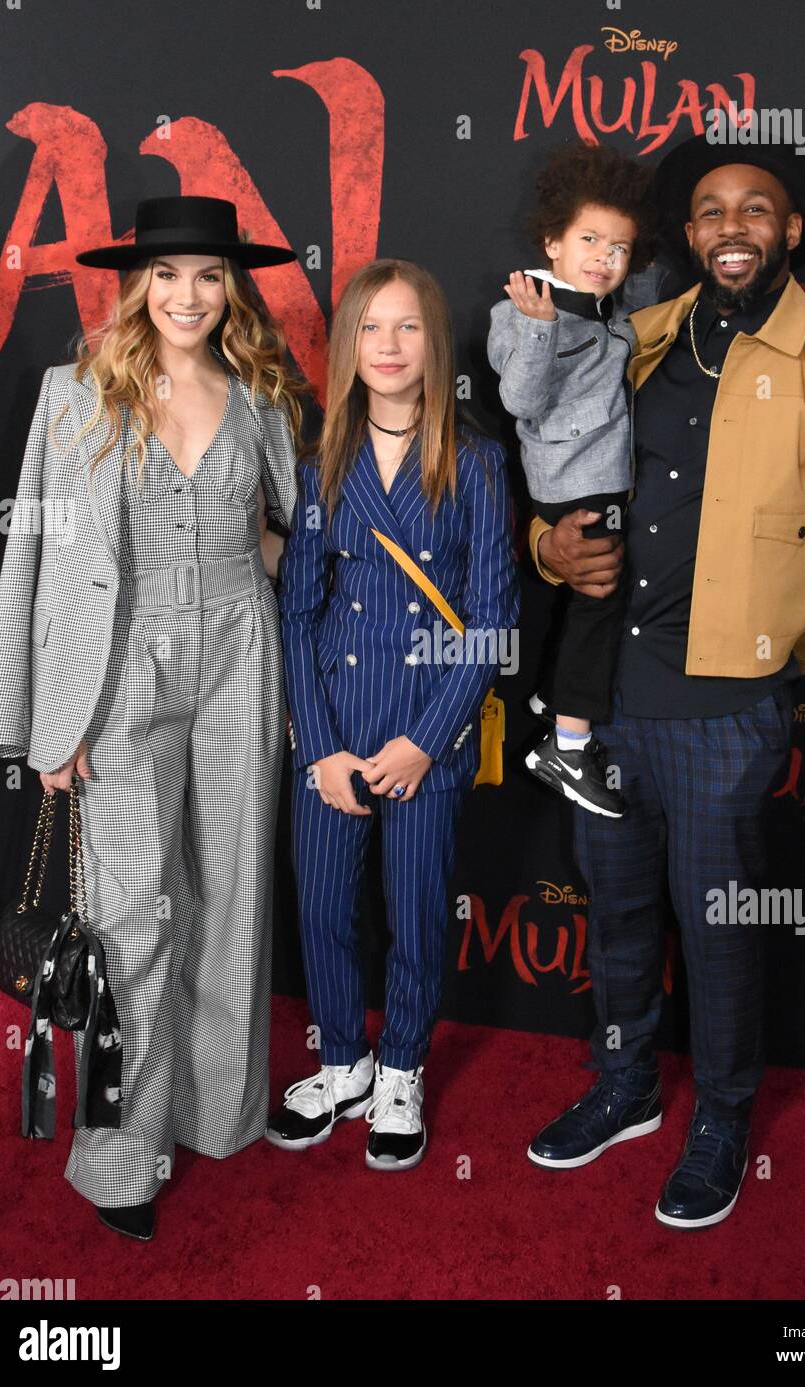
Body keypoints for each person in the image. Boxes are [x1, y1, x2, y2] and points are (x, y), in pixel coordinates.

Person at [525, 136, 805, 1228]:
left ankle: (722, 1117)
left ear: (790, 230)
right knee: (612, 914)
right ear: (687, 234)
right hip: (601, 698)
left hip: (723, 714)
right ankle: (624, 1085)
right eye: (707, 210)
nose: (730, 225)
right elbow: (559, 470)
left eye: (756, 207)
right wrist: (547, 546)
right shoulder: (632, 337)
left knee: (717, 928)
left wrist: (780, 647)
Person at [0, 196, 311, 1241]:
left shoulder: (261, 399)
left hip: (240, 651)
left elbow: (293, 537)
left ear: (231, 289)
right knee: (130, 915)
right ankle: (120, 1155)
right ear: (136, 286)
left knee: (230, 889)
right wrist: (43, 719)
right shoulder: (73, 395)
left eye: (208, 275)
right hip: (117, 667)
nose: (187, 296)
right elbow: (30, 560)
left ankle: (215, 1115)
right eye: (167, 276)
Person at [266, 259, 519, 1170]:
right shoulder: (317, 463)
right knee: (324, 909)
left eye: (408, 327)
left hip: (428, 734)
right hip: (335, 727)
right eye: (371, 328)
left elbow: (492, 625)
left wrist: (428, 741)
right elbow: (296, 612)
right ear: (346, 346)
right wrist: (319, 746)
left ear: (434, 342)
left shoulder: (478, 464)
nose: (389, 346)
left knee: (416, 917)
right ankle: (342, 1061)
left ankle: (402, 1067)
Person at [487, 142, 657, 818]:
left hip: (606, 477)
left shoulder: (607, 308)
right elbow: (521, 401)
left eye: (618, 248)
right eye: (589, 239)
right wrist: (536, 331)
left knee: (595, 603)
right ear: (552, 242)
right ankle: (566, 743)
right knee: (600, 599)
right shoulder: (525, 312)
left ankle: (549, 697)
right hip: (572, 484)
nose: (603, 257)